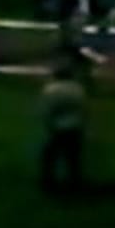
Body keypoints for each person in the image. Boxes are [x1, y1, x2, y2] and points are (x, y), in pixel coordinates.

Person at [39, 67, 86, 196]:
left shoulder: (52, 89)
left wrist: (48, 123)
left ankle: (49, 183)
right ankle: (74, 183)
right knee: (73, 159)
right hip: (75, 126)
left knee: (49, 157)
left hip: (58, 127)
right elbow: (82, 106)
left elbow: (48, 108)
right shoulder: (77, 88)